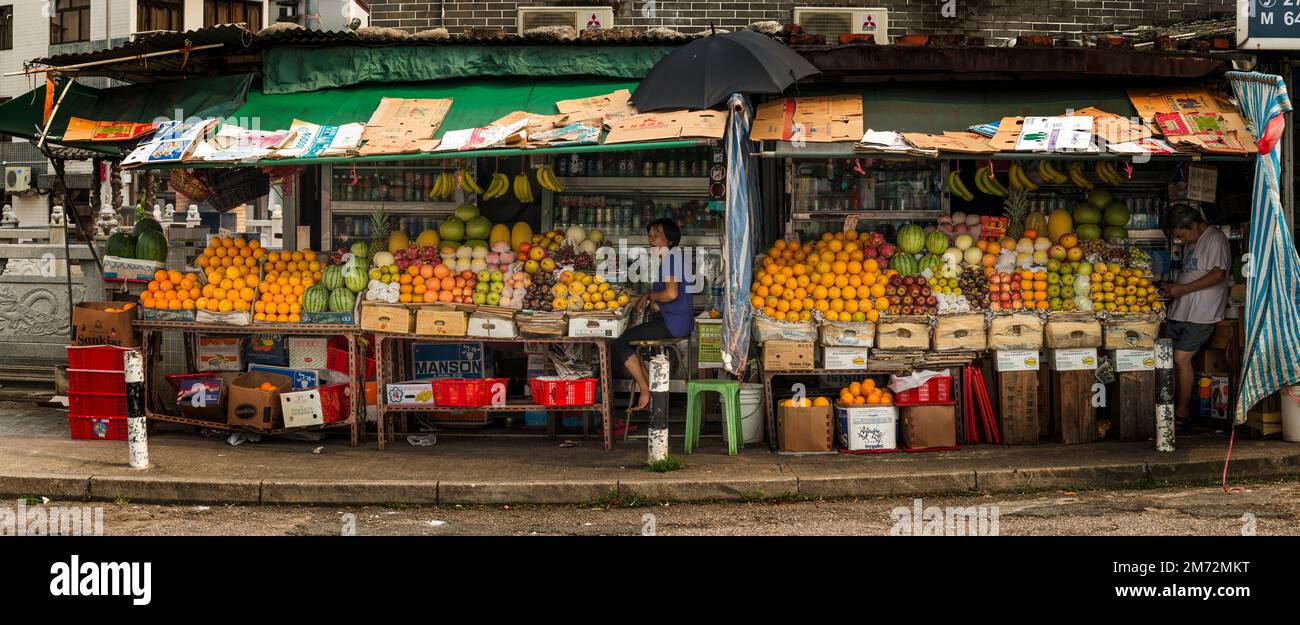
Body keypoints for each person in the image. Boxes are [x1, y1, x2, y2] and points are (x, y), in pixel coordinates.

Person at [612, 218, 695, 411]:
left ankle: (645, 389)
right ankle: (647, 385)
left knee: (620, 343)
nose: (651, 239)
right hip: (673, 320)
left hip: (672, 324)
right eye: (649, 235)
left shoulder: (671, 258)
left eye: (656, 236)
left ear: (670, 240)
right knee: (629, 340)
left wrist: (649, 295)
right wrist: (655, 301)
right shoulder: (671, 258)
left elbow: (671, 293)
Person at [1164, 204, 1232, 430]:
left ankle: (1182, 413)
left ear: (1193, 225)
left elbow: (1218, 274)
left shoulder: (1216, 239)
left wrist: (1181, 290)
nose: (1182, 240)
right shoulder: (1193, 242)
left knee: (1181, 359)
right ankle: (1168, 408)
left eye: (1183, 235)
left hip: (1201, 314)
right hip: (1180, 312)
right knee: (1167, 360)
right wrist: (1175, 288)